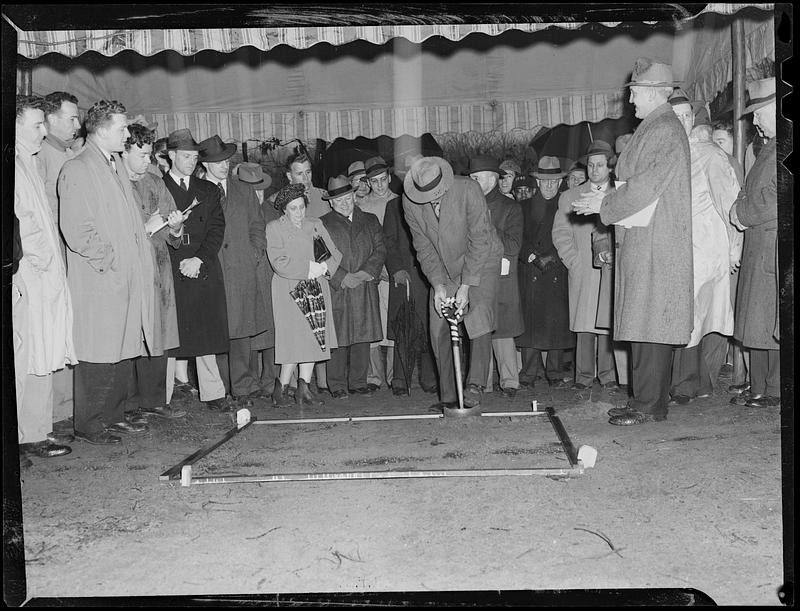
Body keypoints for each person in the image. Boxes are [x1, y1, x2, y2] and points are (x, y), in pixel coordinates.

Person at [572, 57, 693, 426]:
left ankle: (650, 405)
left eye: (636, 92)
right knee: (644, 322)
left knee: (654, 323)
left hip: (656, 242)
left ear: (656, 94)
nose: (631, 100)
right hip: (644, 238)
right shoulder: (655, 126)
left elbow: (645, 186)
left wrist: (605, 203)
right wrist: (606, 201)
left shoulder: (665, 130)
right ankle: (643, 399)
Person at [59, 100, 155, 444]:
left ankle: (114, 416)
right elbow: (76, 228)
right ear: (100, 131)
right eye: (121, 128)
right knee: (98, 352)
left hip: (124, 277)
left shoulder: (113, 164)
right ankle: (89, 424)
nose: (127, 134)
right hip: (101, 279)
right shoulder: (78, 168)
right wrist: (110, 260)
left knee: (120, 351)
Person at [403, 157, 503, 410]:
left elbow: (480, 239)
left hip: (481, 258)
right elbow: (423, 247)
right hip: (444, 267)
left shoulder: (468, 190)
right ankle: (449, 395)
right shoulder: (409, 202)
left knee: (478, 316)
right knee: (438, 327)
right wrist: (437, 286)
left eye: (436, 196)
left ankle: (475, 386)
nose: (431, 202)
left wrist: (466, 286)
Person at [668, 91, 742, 405]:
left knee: (693, 318)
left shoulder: (710, 154)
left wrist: (734, 248)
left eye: (686, 116)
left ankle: (686, 386)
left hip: (706, 249)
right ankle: (697, 384)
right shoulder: (678, 152)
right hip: (686, 248)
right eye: (675, 116)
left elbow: (731, 203)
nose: (680, 122)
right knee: (690, 318)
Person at [13, 94, 76, 462]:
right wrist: (37, 260)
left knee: (40, 352)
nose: (42, 131)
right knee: (21, 358)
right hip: (25, 275)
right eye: (36, 124)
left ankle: (34, 432)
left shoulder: (30, 161)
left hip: (45, 273)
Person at [198, 135, 271, 405]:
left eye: (226, 160)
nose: (224, 166)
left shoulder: (244, 190)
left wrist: (255, 252)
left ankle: (243, 388)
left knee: (241, 333)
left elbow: (257, 225)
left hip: (242, 270)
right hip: (213, 271)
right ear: (205, 163)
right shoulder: (198, 190)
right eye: (217, 162)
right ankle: (219, 390)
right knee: (217, 332)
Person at [162, 128, 231, 412]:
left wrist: (199, 259)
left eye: (194, 156)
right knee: (168, 335)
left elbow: (217, 229)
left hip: (202, 266)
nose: (192, 161)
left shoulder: (208, 190)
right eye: (186, 156)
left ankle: (214, 393)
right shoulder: (158, 186)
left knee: (205, 331)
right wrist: (179, 258)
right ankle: (161, 396)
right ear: (171, 155)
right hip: (170, 265)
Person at [121, 123, 187, 420]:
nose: (148, 161)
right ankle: (128, 404)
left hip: (158, 267)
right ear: (124, 150)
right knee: (128, 335)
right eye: (143, 154)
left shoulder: (153, 181)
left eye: (150, 154)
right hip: (128, 268)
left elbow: (173, 230)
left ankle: (154, 399)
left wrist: (175, 227)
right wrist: (142, 230)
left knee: (157, 334)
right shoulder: (114, 180)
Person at [266, 183, 342, 407]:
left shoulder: (315, 224)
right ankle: (280, 389)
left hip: (316, 287)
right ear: (284, 210)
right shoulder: (274, 228)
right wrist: (308, 268)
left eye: (301, 207)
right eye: (293, 208)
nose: (299, 213)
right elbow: (279, 262)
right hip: (289, 290)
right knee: (292, 341)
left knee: (313, 337)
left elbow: (334, 253)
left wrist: (325, 268)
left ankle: (304, 388)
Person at [553, 141, 620, 391]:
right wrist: (574, 261)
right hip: (583, 267)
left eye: (599, 165)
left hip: (610, 269)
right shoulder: (570, 197)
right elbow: (560, 233)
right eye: (590, 165)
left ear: (609, 168)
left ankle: (607, 374)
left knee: (606, 320)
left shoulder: (619, 195)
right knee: (583, 323)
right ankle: (582, 376)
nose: (594, 170)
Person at [728, 78, 779, 408]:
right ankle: (760, 385)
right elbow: (750, 190)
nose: (754, 119)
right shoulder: (771, 145)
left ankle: (773, 388)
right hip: (760, 243)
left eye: (758, 112)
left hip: (771, 244)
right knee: (759, 320)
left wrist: (741, 212)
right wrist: (740, 205)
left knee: (769, 319)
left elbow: (774, 197)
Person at [36, 91, 83, 430]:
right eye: (71, 118)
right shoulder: (41, 155)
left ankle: (66, 409)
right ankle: (53, 412)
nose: (77, 124)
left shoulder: (67, 153)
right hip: (52, 257)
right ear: (50, 119)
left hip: (70, 256)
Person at [321, 176, 386, 398]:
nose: (344, 203)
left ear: (354, 196)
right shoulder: (322, 223)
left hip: (364, 284)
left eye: (347, 197)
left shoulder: (370, 220)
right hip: (338, 287)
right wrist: (341, 276)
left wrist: (365, 273)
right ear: (331, 202)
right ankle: (337, 384)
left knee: (362, 333)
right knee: (337, 336)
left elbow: (380, 249)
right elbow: (320, 255)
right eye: (338, 200)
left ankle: (358, 381)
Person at [468, 155, 524, 398]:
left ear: (492, 178)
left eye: (476, 178)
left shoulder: (511, 207)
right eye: (471, 178)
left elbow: (513, 246)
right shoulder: (468, 205)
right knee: (479, 328)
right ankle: (483, 382)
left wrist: (488, 224)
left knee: (503, 330)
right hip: (476, 276)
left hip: (501, 277)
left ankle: (510, 382)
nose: (473, 182)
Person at [517, 156, 575, 388]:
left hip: (556, 270)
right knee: (530, 324)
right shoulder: (524, 206)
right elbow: (516, 237)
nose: (549, 185)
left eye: (554, 181)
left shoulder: (568, 206)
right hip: (530, 270)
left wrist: (552, 258)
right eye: (545, 181)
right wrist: (531, 256)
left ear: (560, 183)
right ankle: (528, 373)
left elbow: (570, 238)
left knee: (556, 323)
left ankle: (554, 372)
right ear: (538, 182)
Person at [234, 162, 278, 395]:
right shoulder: (233, 211)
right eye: (250, 190)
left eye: (259, 190)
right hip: (245, 280)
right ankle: (249, 380)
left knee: (271, 330)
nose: (256, 195)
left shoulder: (273, 213)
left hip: (270, 278)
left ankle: (270, 380)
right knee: (248, 331)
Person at [358, 156, 398, 393]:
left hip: (394, 274)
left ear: (389, 178)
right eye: (374, 181)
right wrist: (375, 269)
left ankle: (395, 376)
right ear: (368, 183)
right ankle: (374, 376)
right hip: (373, 273)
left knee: (393, 324)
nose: (380, 185)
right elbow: (363, 244)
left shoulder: (401, 201)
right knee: (372, 324)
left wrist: (393, 268)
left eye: (383, 180)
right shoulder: (362, 206)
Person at [268, 151, 329, 219]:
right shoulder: (276, 202)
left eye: (308, 172)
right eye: (300, 174)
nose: (305, 178)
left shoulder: (325, 197)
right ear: (289, 176)